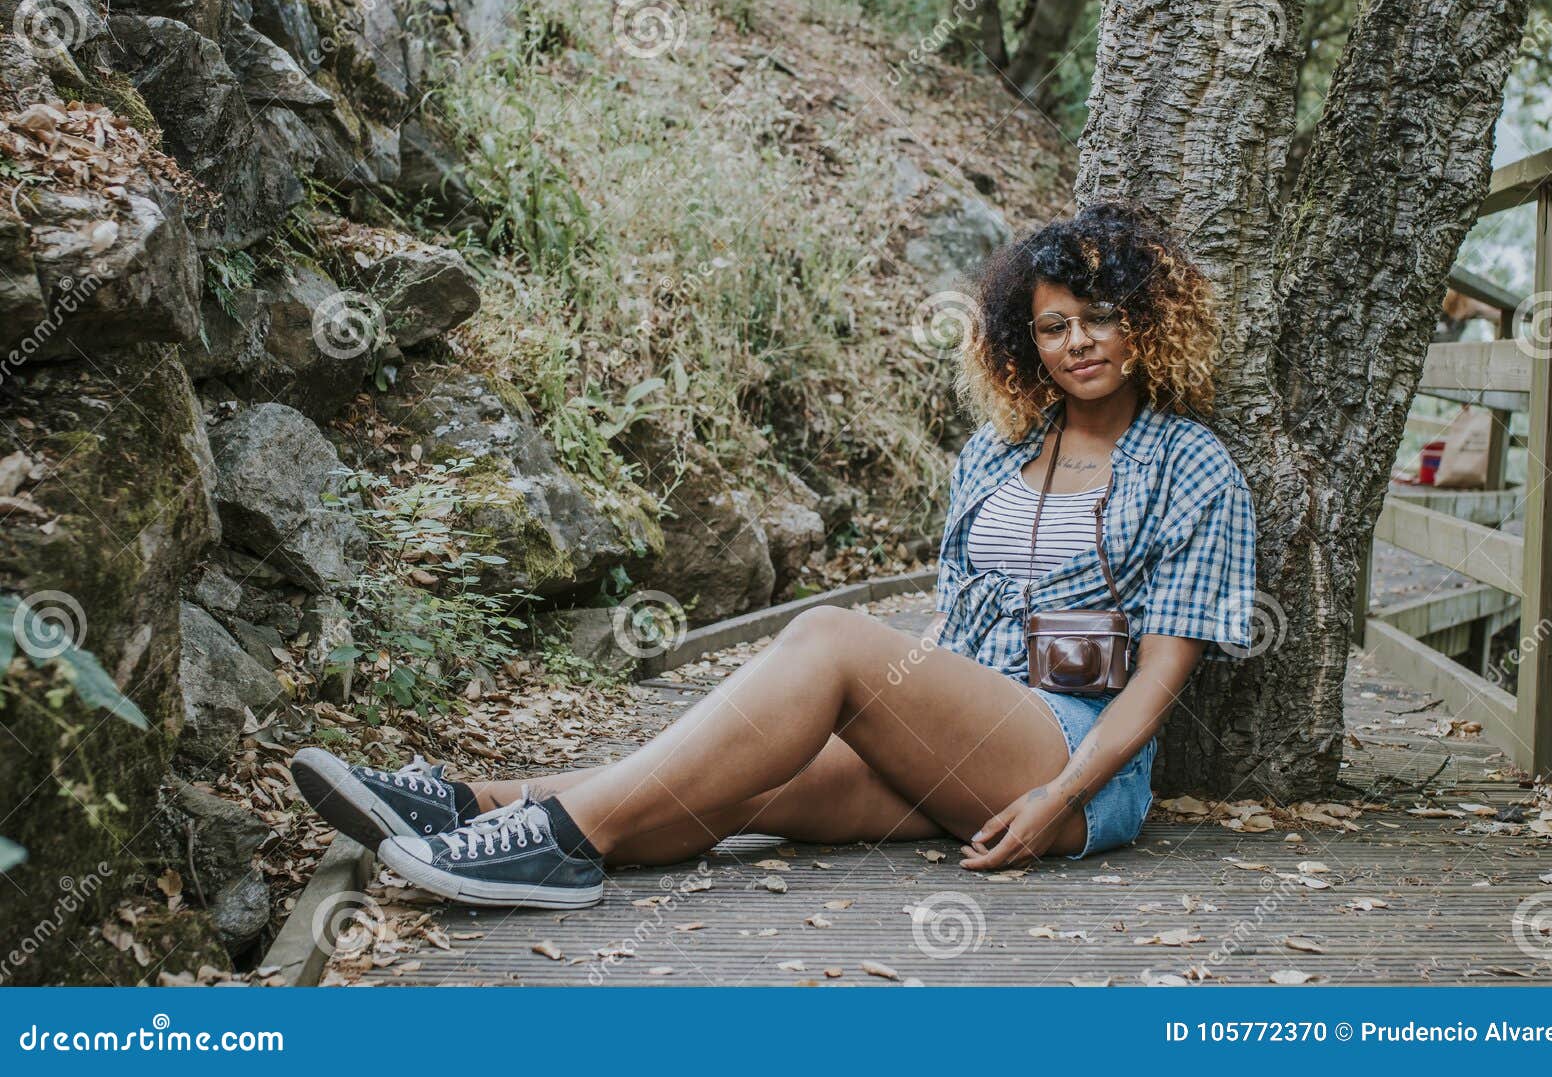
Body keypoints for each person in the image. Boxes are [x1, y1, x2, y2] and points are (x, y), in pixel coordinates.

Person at [290, 200, 1258, 909]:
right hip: (966, 718)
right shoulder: (996, 453)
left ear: (1145, 323)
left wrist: (1060, 796)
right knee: (749, 773)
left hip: (1070, 754)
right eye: (1052, 324)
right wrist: (901, 699)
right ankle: (464, 810)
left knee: (831, 638)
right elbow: (956, 620)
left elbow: (1158, 681)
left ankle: (559, 843)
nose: (1076, 342)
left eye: (1098, 317)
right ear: (1023, 337)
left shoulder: (1191, 467)